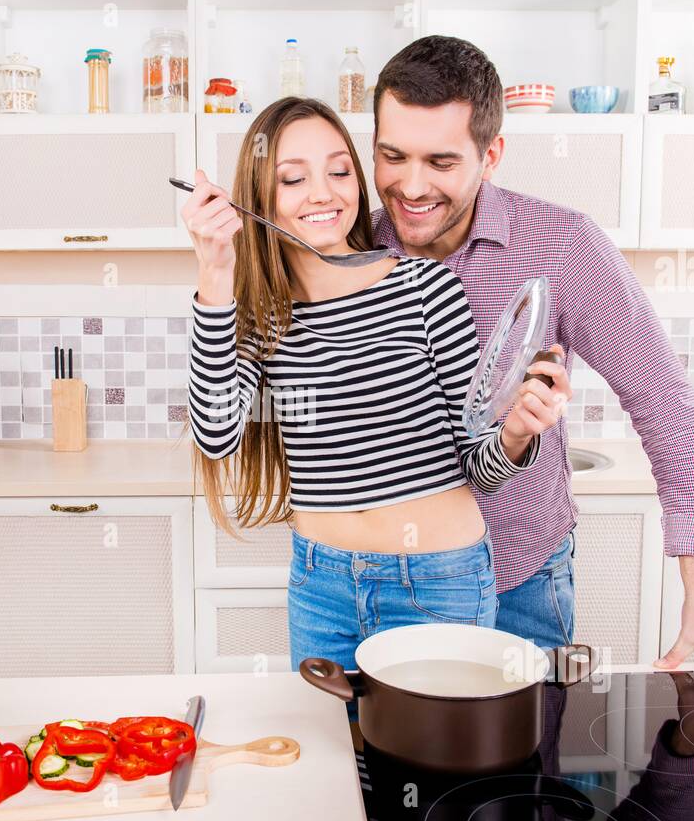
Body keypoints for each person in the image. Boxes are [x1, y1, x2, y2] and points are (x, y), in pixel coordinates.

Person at [367, 35, 694, 676]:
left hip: (517, 579)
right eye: (391, 156)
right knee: (374, 773)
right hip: (384, 580)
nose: (409, 186)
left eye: (440, 161)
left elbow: (664, 403)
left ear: (490, 155)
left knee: (524, 772)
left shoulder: (563, 245)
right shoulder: (352, 245)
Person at [180, 96, 571, 673]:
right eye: (294, 178)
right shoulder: (261, 317)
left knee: (438, 764)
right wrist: (215, 273)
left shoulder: (424, 287)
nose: (323, 192)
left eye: (340, 171)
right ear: (257, 199)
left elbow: (475, 466)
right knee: (335, 763)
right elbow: (217, 435)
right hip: (321, 588)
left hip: (439, 583)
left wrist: (516, 434)